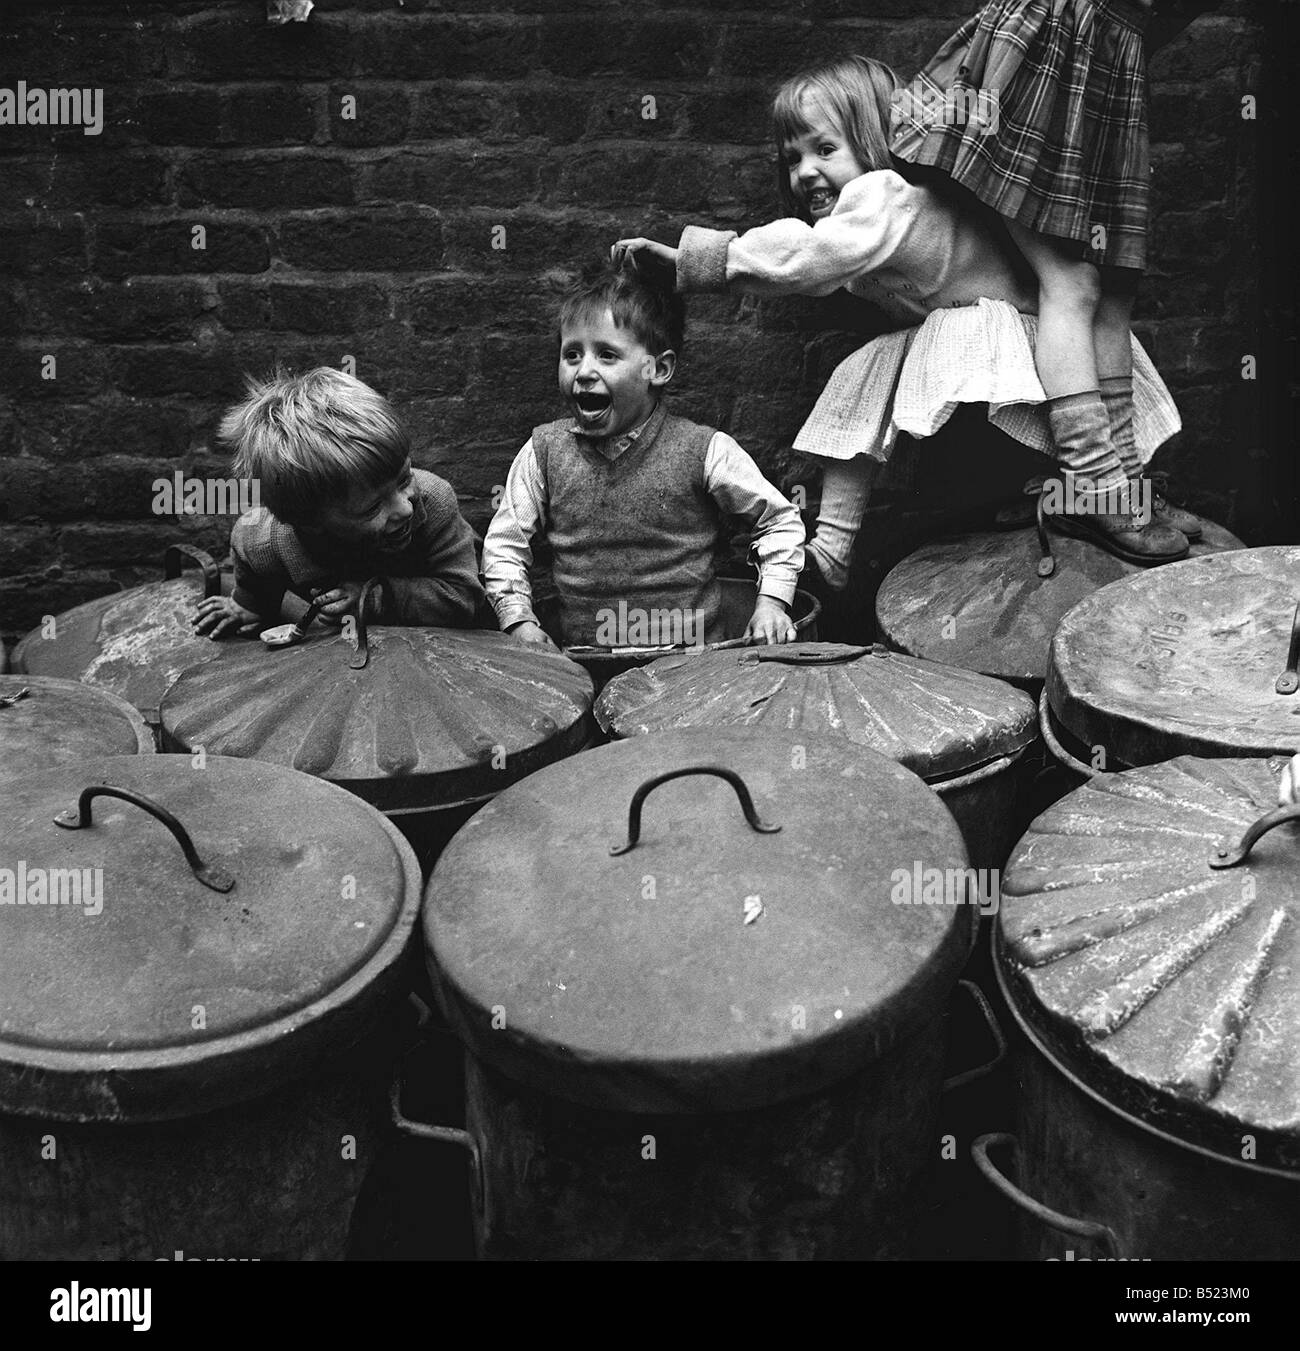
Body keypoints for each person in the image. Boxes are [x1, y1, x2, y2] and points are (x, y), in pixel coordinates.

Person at [612, 54, 1186, 590]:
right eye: (793, 158)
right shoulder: (866, 214)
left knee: (926, 345)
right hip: (992, 340)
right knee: (859, 372)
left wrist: (701, 261)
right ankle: (832, 550)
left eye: (825, 149)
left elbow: (810, 254)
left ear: (869, 143)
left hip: (1029, 342)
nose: (806, 172)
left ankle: (1092, 487)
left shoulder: (883, 197)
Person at [890, 1, 1208, 551]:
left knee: (1112, 293)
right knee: (1071, 280)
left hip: (1113, 53)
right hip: (1058, 38)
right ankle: (1094, 483)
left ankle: (1123, 482)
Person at [482, 265, 805, 650]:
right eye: (572, 354)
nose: (584, 371)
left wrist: (771, 604)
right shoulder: (543, 452)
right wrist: (518, 620)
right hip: (589, 661)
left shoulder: (704, 450)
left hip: (692, 663)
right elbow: (504, 545)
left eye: (606, 355)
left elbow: (779, 520)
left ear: (658, 369)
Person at [192, 366, 486, 638]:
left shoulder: (433, 501)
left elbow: (464, 598)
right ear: (309, 522)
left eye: (403, 479)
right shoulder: (265, 542)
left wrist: (373, 599)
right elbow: (251, 554)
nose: (405, 508)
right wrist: (250, 603)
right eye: (372, 508)